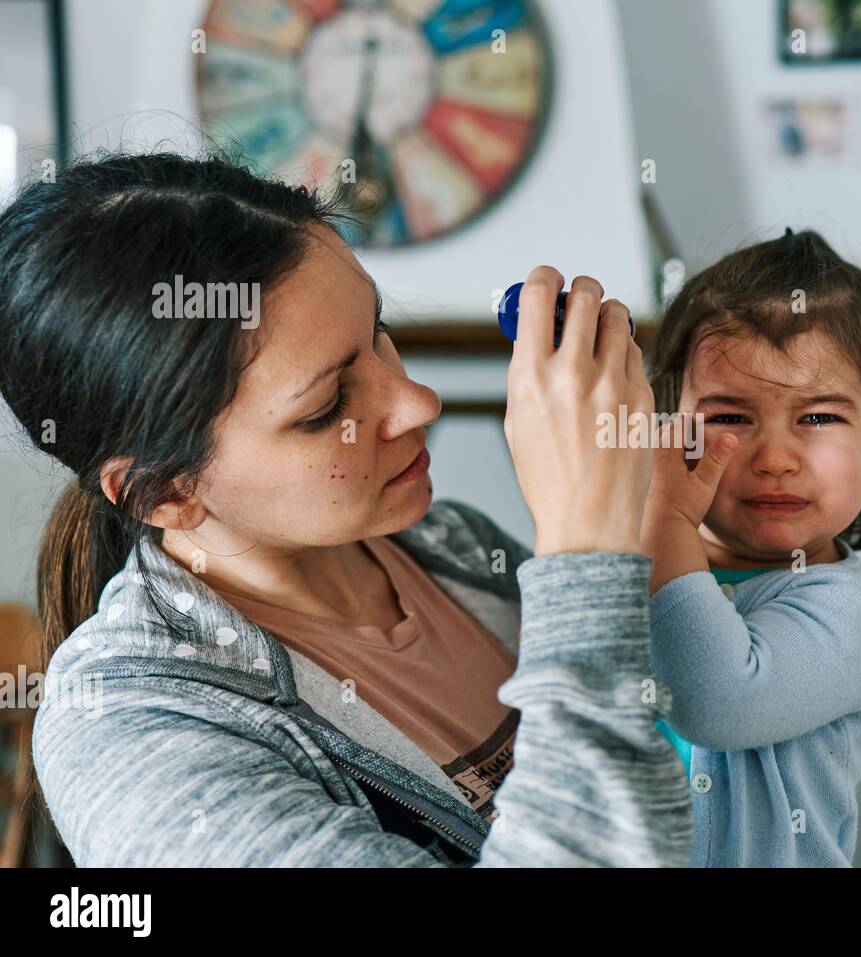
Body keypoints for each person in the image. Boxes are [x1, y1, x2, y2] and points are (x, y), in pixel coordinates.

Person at [0, 151, 690, 866]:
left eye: (379, 334)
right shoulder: (125, 733)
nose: (420, 402)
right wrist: (585, 551)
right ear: (164, 491)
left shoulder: (454, 547)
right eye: (327, 407)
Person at [642, 228, 861, 865]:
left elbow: (715, 701)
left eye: (820, 417)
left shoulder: (851, 615)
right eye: (730, 418)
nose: (774, 458)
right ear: (672, 430)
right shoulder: (639, 571)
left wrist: (664, 521)